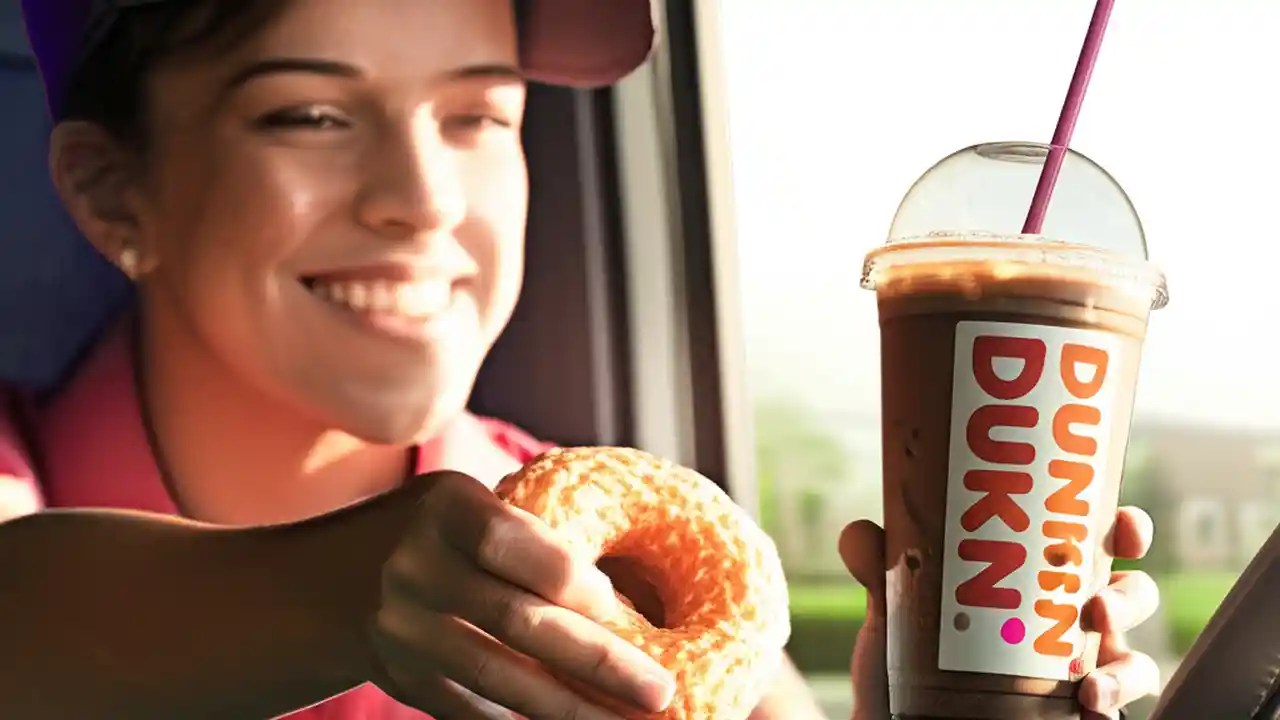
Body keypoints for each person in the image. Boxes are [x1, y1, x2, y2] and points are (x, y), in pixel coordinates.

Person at [0, 0, 1161, 718]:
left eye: (479, 117)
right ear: (114, 191)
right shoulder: (24, 476)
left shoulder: (642, 596)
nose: (423, 201)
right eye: (307, 115)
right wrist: (349, 590)